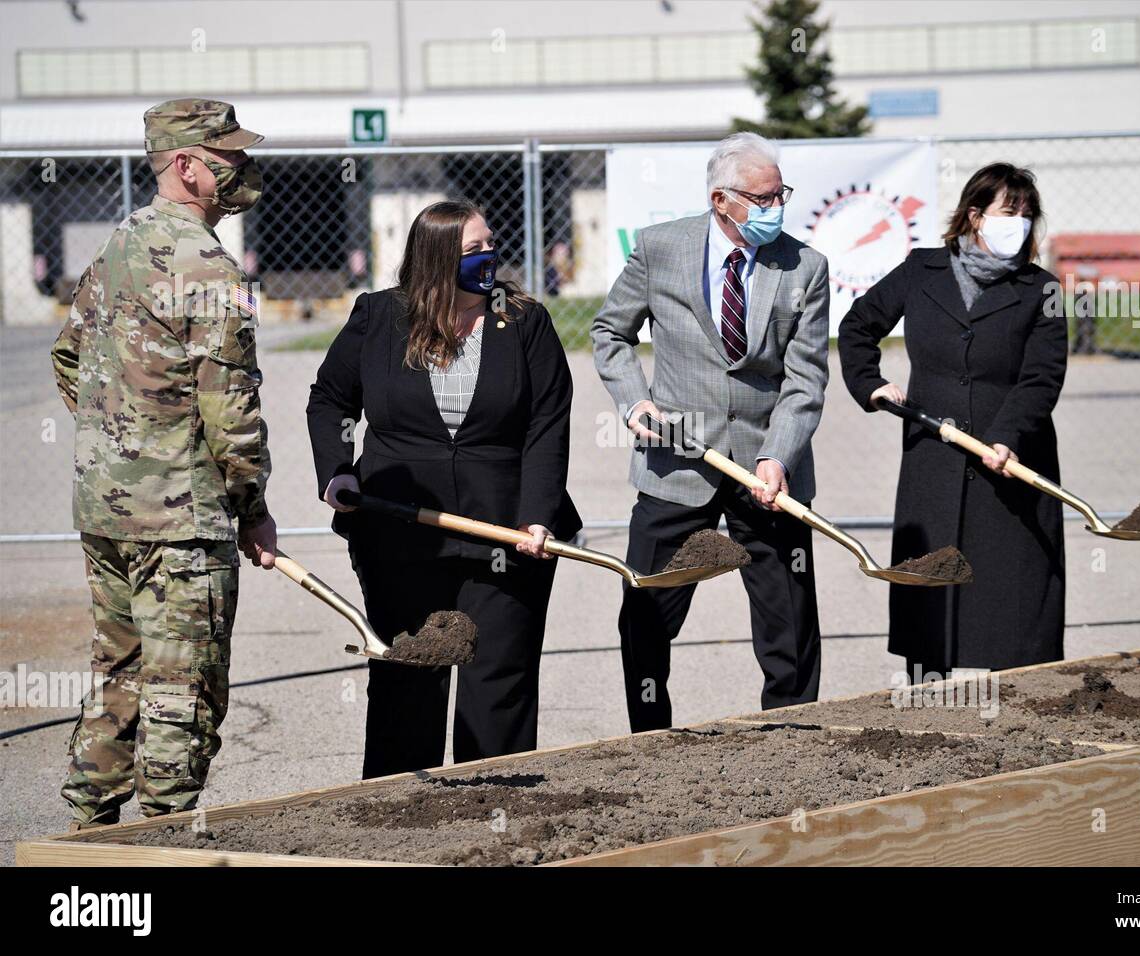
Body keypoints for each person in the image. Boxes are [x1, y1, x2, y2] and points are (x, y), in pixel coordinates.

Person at [50, 98, 277, 829]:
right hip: (181, 521)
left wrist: (122, 442)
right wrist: (251, 508)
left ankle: (86, 837)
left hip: (107, 511)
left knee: (117, 677)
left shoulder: (120, 243)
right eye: (228, 158)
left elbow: (68, 356)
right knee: (183, 692)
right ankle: (165, 845)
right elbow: (230, 412)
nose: (243, 169)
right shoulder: (210, 266)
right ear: (187, 166)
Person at [307, 200, 581, 777]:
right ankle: (399, 814)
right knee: (408, 678)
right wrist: (337, 468)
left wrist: (537, 515)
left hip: (506, 535)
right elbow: (331, 398)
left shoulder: (523, 319)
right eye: (472, 251)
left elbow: (547, 423)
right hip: (399, 530)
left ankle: (495, 810)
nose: (489, 258)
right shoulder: (380, 316)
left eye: (490, 245)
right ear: (433, 261)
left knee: (498, 681)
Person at [591, 132, 830, 732]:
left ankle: (792, 739)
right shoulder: (659, 248)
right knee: (644, 612)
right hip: (675, 465)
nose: (776, 207)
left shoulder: (806, 267)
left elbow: (805, 381)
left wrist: (779, 456)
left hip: (767, 471)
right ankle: (651, 741)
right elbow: (610, 333)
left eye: (782, 195)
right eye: (763, 198)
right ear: (722, 199)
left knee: (790, 625)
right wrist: (633, 403)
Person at [838, 162, 1067, 678]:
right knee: (931, 589)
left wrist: (1007, 437)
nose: (1021, 223)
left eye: (1029, 215)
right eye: (1010, 212)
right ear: (975, 215)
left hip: (1011, 459)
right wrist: (869, 383)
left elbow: (1042, 379)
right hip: (933, 459)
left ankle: (1024, 702)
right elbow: (857, 327)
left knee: (1014, 591)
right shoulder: (922, 271)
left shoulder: (1043, 290)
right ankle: (926, 709)